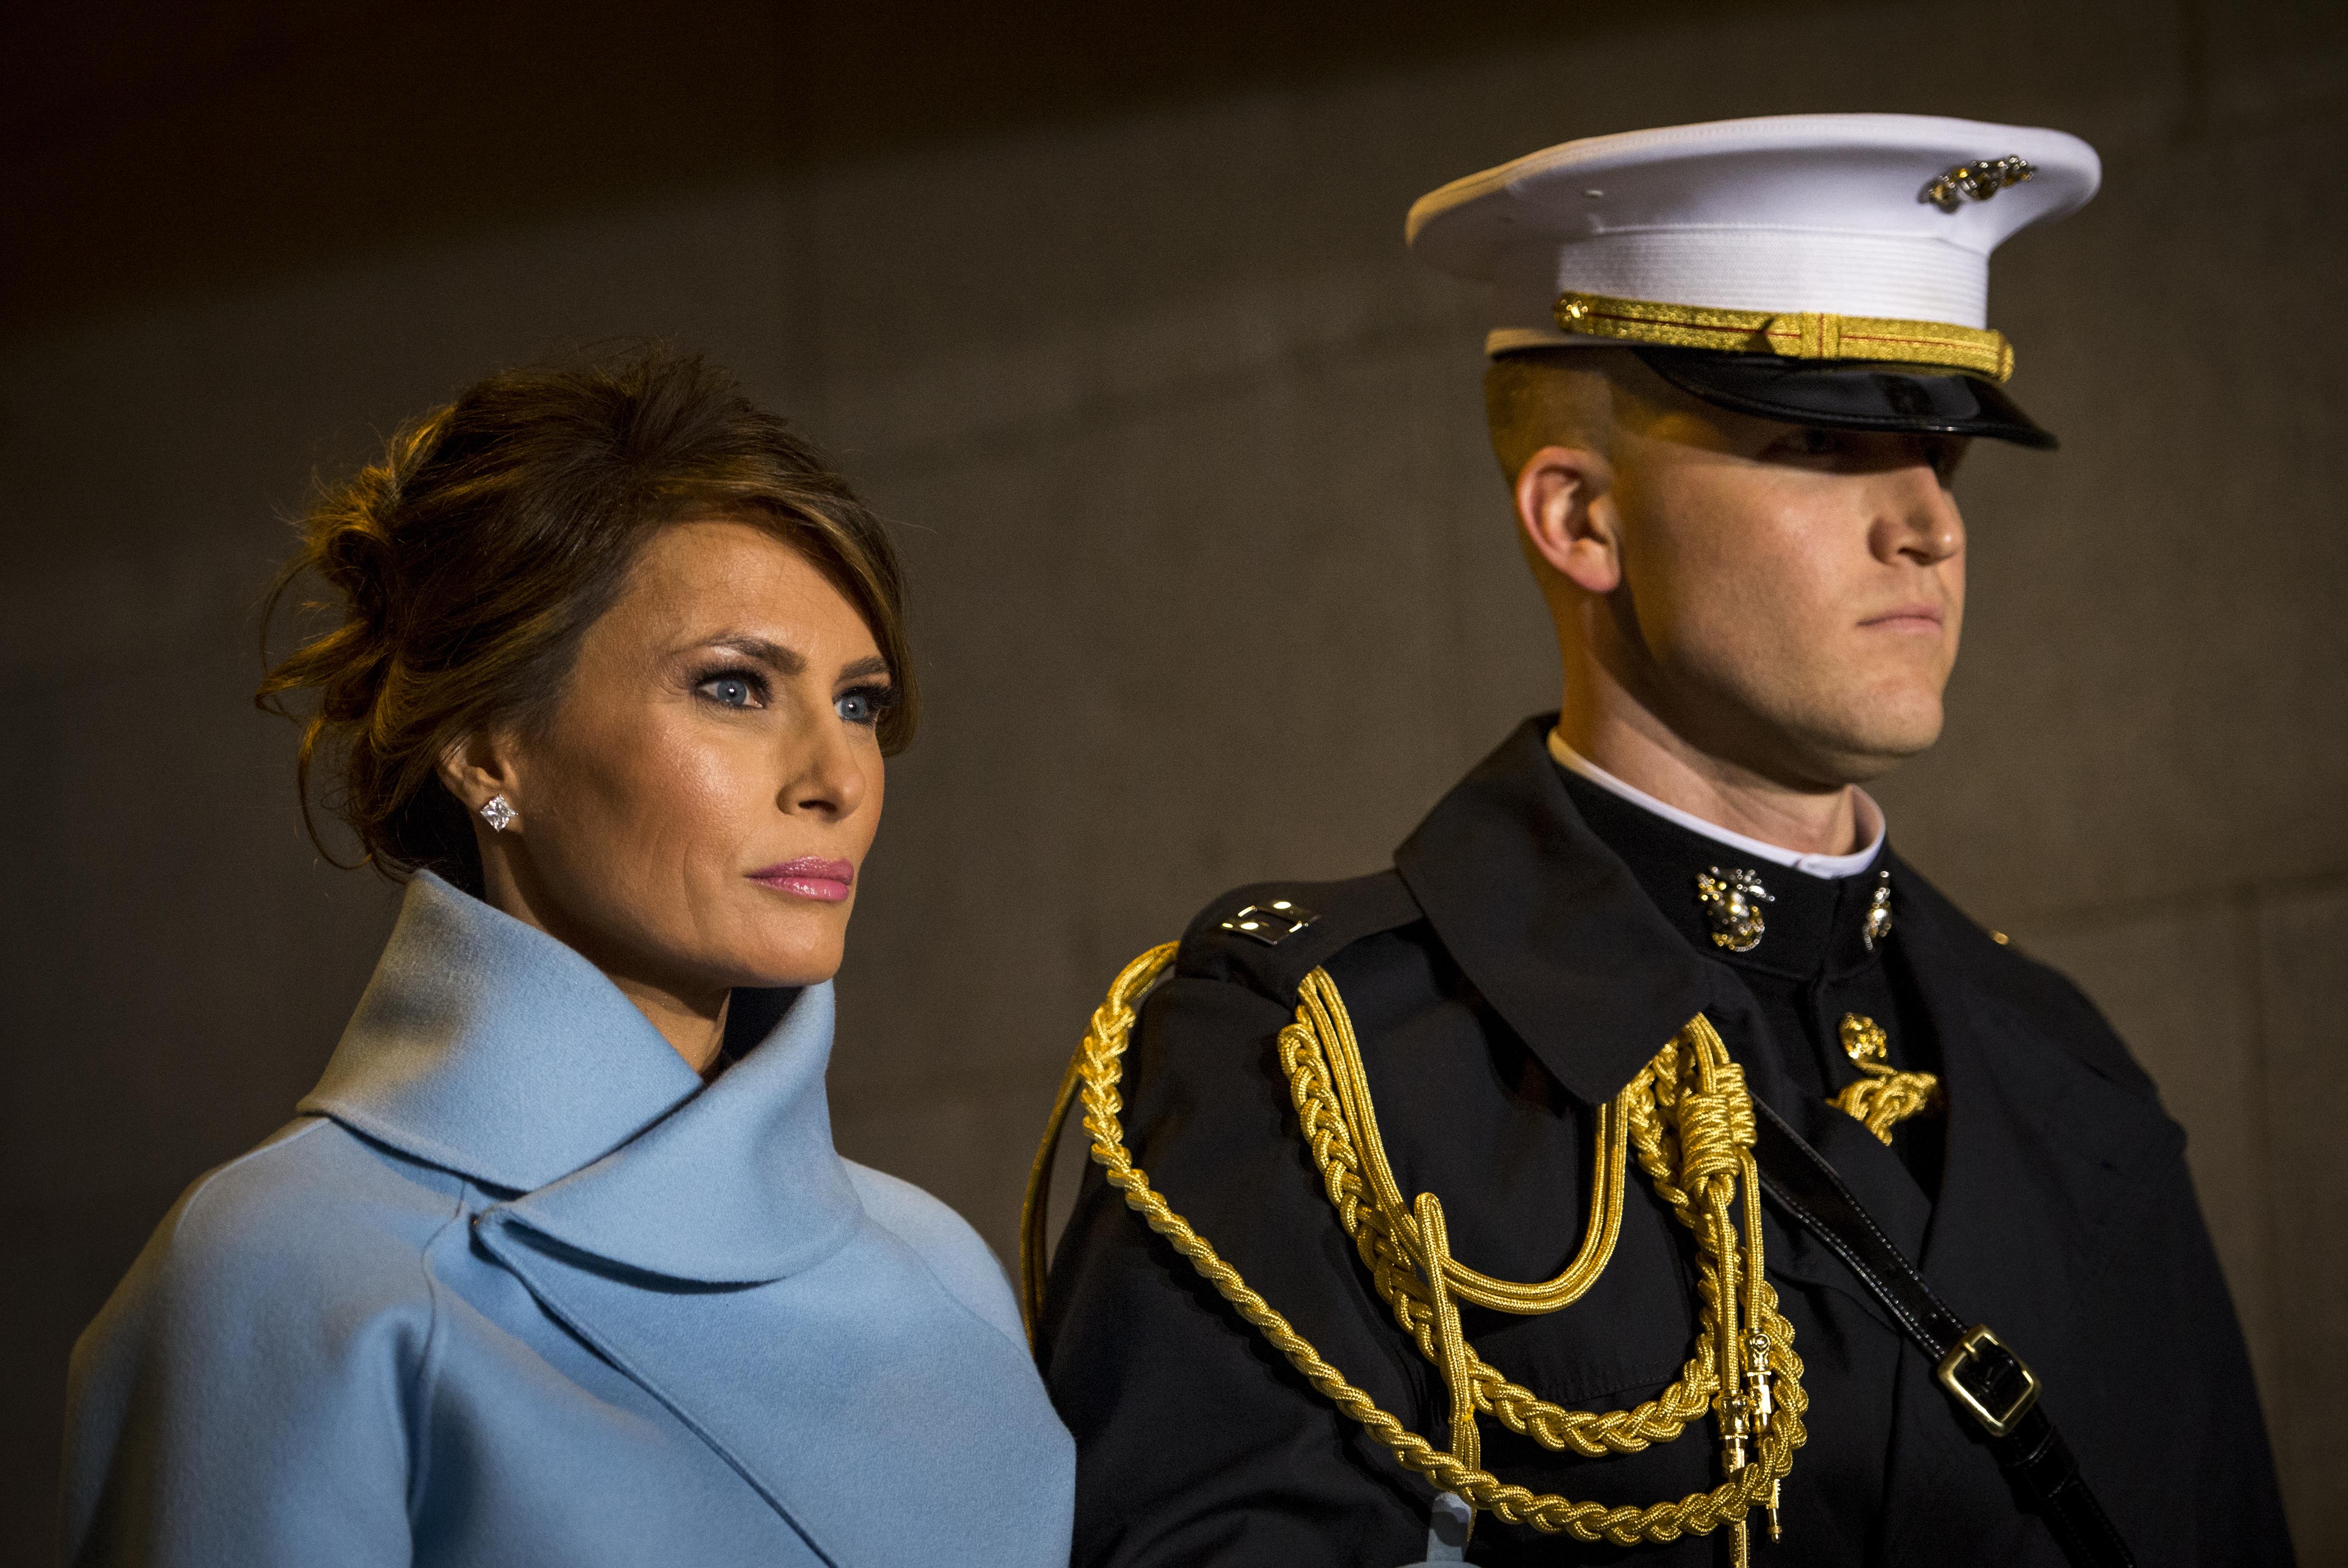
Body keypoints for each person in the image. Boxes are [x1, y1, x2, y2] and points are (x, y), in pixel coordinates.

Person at [1031, 115, 2291, 1567]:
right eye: (1818, 444)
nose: (1926, 524)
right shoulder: (1312, 1054)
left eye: (1940, 450)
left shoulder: (2064, 1066)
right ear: (1580, 516)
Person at [61, 348, 1074, 1567]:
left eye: (858, 703)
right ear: (491, 750)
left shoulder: (939, 1268)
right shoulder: (286, 1272)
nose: (837, 779)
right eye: (735, 686)